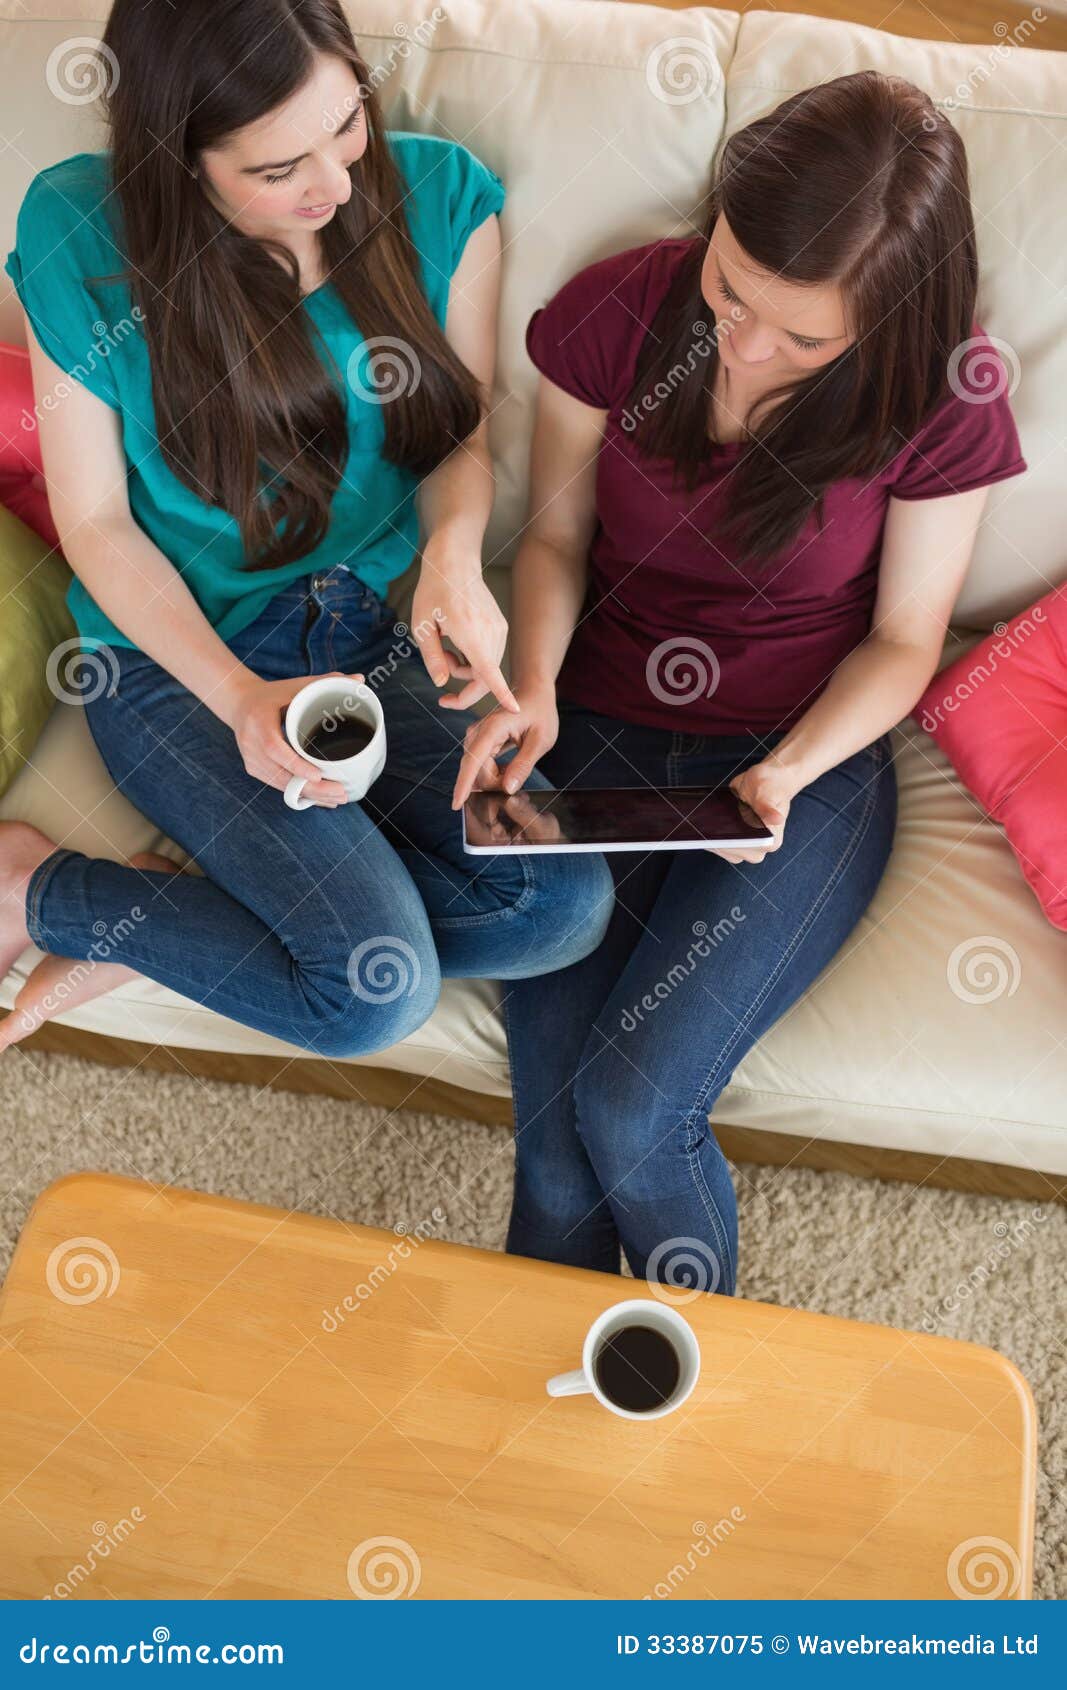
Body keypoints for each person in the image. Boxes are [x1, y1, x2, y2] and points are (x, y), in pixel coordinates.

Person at [453, 71, 1027, 1297]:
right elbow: (552, 542)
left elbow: (902, 641)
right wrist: (535, 689)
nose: (743, 344)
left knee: (629, 1110)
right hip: (596, 728)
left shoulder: (938, 393)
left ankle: (690, 1402)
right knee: (553, 1151)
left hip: (799, 756)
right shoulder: (619, 313)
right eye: (728, 292)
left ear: (890, 318)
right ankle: (532, 1454)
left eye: (803, 336)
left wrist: (782, 772)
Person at [0, 0, 613, 1057]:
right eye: (277, 167)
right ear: (178, 158)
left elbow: (455, 441)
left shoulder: (438, 198)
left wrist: (454, 564)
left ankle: (185, 915)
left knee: (561, 907)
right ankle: (33, 887)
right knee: (370, 996)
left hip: (365, 634)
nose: (332, 184)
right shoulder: (77, 230)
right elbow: (96, 523)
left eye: (345, 124)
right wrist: (238, 700)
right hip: (172, 659)